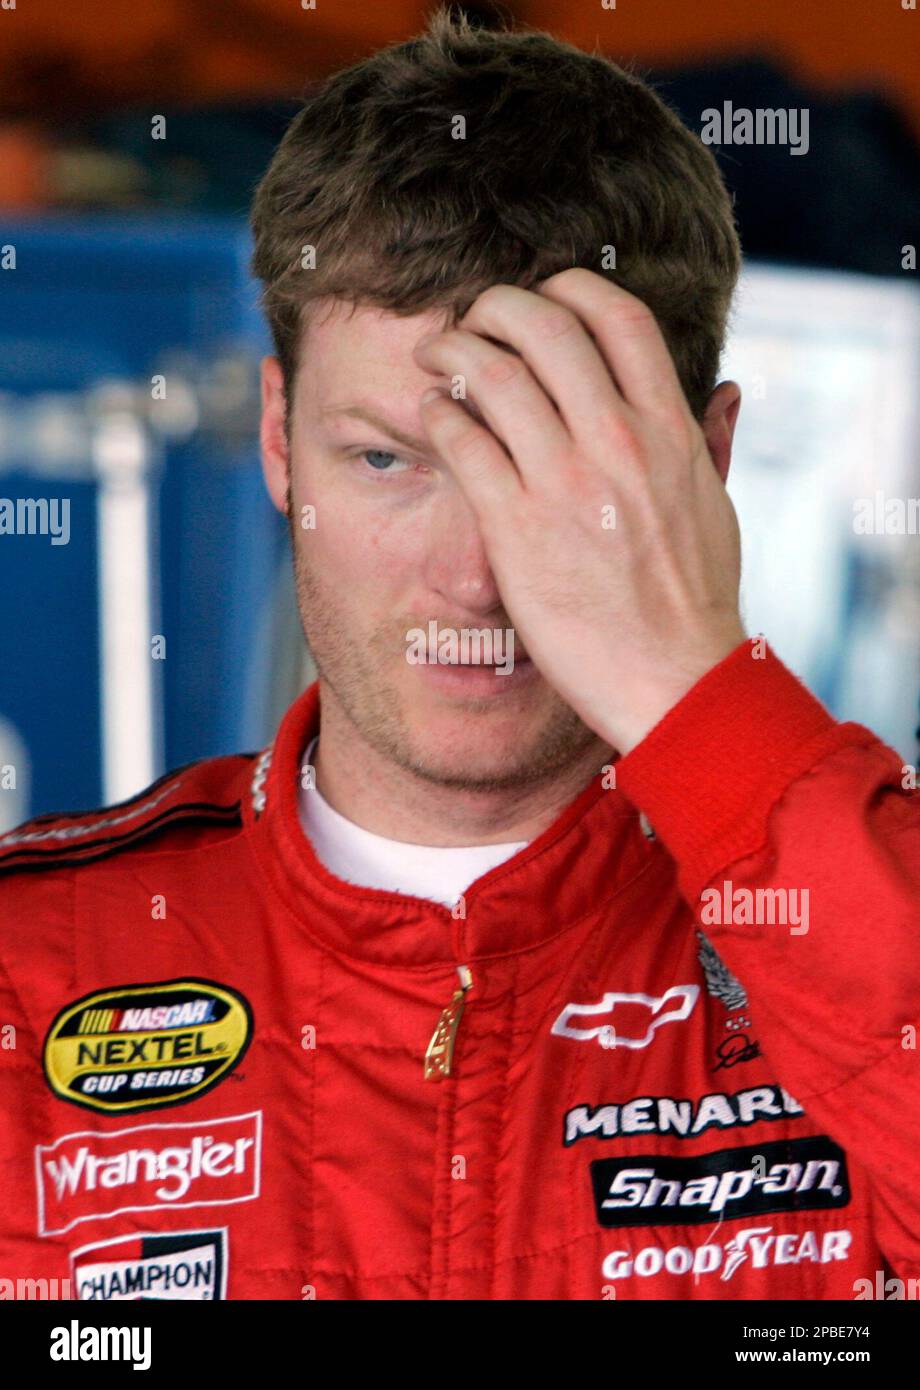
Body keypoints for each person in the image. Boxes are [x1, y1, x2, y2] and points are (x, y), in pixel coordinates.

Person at [0, 8, 917, 1302]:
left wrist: (696, 692)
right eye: (387, 459)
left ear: (706, 465)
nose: (474, 570)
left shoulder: (865, 917)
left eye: (552, 466)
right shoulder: (28, 967)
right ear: (277, 438)